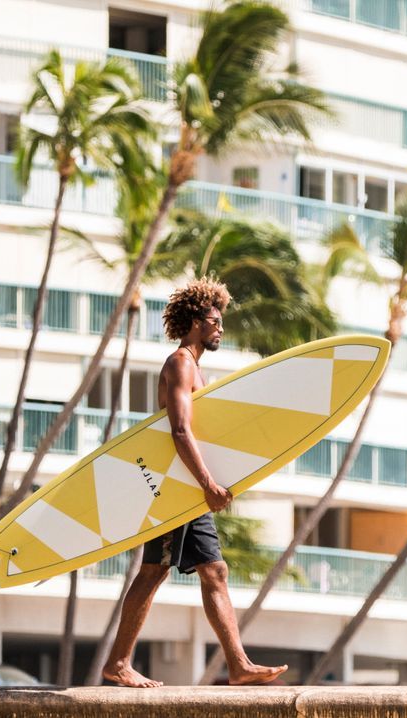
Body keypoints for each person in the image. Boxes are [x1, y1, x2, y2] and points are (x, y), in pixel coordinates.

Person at [102, 278, 288, 688]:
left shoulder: (194, 366)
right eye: (214, 321)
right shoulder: (181, 363)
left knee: (215, 571)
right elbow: (181, 431)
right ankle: (118, 662)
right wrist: (207, 483)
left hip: (187, 490)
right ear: (195, 322)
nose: (220, 328)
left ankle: (238, 665)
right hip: (175, 487)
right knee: (153, 572)